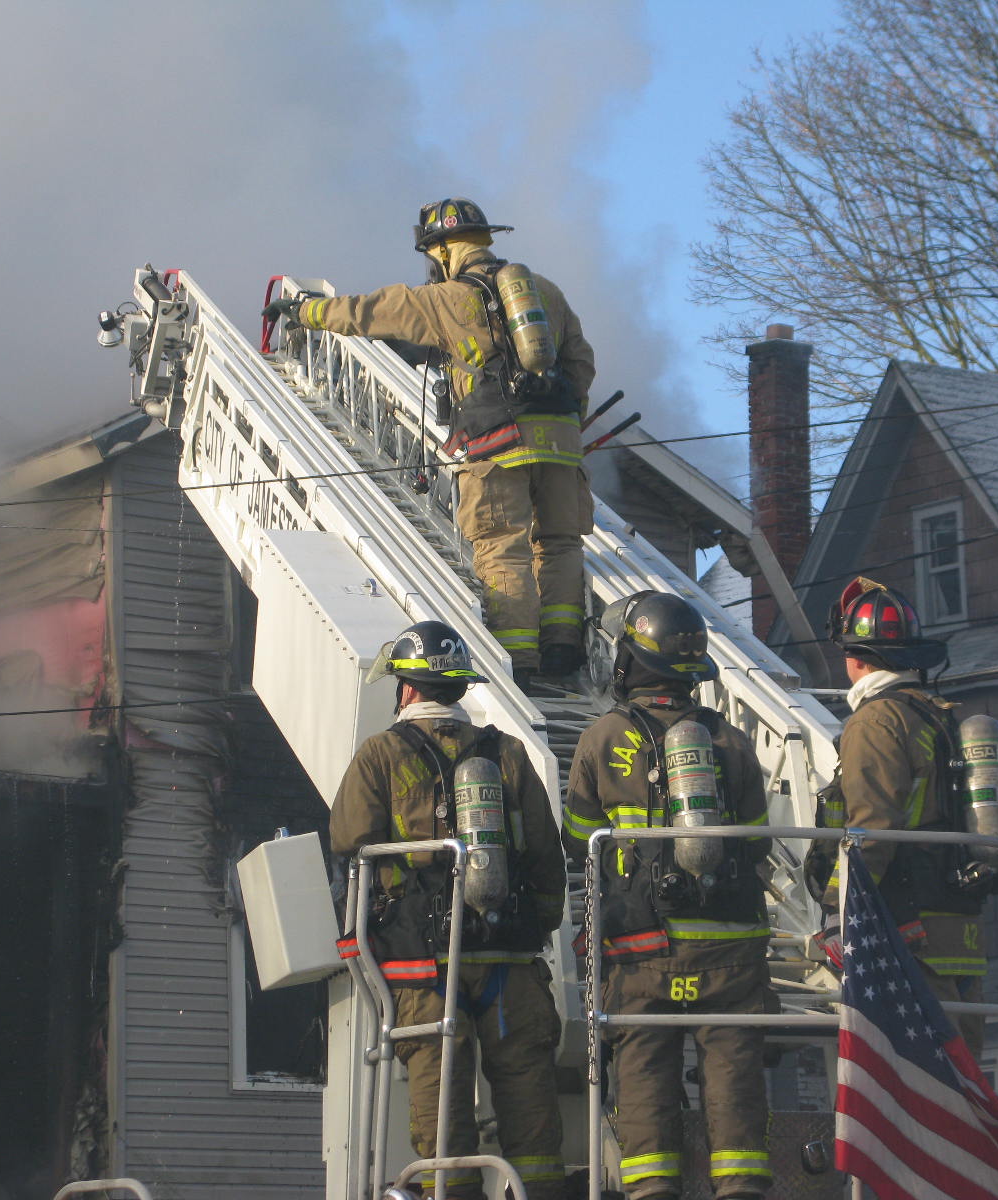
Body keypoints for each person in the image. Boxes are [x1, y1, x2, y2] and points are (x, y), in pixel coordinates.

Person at [264, 197, 596, 687]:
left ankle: (519, 658)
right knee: (560, 541)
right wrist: (567, 425)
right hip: (563, 443)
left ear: (442, 251)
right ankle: (564, 646)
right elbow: (581, 364)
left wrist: (304, 311)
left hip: (497, 443)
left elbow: (366, 312)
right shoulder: (546, 292)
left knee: (503, 546)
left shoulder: (445, 299)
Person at [330, 619, 567, 1200]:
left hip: (425, 969)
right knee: (531, 1111)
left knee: (442, 1115)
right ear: (459, 688)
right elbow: (545, 857)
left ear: (406, 689)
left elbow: (349, 840)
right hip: (509, 966)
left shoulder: (379, 755)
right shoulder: (508, 755)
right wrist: (531, 926)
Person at [563, 591, 775, 1200]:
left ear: (631, 660)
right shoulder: (731, 743)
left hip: (641, 950)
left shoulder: (602, 739)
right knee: (735, 1082)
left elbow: (580, 842)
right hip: (731, 952)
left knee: (642, 1078)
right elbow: (759, 845)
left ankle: (653, 1191)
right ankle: (740, 1189)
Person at [811, 575, 998, 1059]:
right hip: (959, 923)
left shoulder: (876, 721)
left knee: (921, 1072)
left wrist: (839, 908)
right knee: (964, 1076)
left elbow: (871, 827)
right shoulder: (942, 716)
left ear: (855, 658)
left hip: (908, 926)